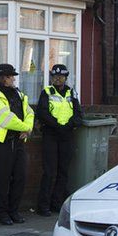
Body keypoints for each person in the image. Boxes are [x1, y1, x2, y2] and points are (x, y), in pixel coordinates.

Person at [0, 63, 34, 225]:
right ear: (3, 78)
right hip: (1, 144)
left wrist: (28, 128)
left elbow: (30, 112)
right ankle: (2, 213)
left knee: (20, 177)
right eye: (11, 76)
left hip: (18, 142)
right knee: (3, 179)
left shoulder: (19, 94)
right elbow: (6, 119)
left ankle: (14, 211)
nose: (13, 79)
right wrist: (26, 128)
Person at [35, 64, 83, 216]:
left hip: (66, 136)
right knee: (49, 171)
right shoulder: (47, 92)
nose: (57, 79)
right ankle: (43, 206)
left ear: (65, 78)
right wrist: (57, 125)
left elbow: (78, 115)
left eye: (60, 77)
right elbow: (42, 113)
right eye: (55, 77)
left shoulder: (72, 93)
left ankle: (56, 203)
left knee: (63, 172)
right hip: (51, 134)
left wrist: (68, 125)